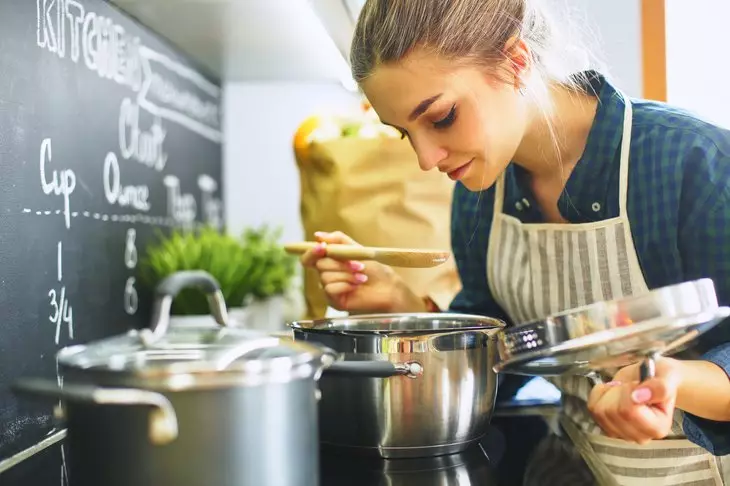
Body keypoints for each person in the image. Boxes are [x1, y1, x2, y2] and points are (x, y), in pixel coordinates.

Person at [301, 0, 730, 484]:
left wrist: (671, 380)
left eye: (441, 118)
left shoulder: (694, 162)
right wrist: (405, 307)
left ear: (515, 61)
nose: (426, 158)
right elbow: (503, 359)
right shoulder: (482, 194)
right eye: (405, 133)